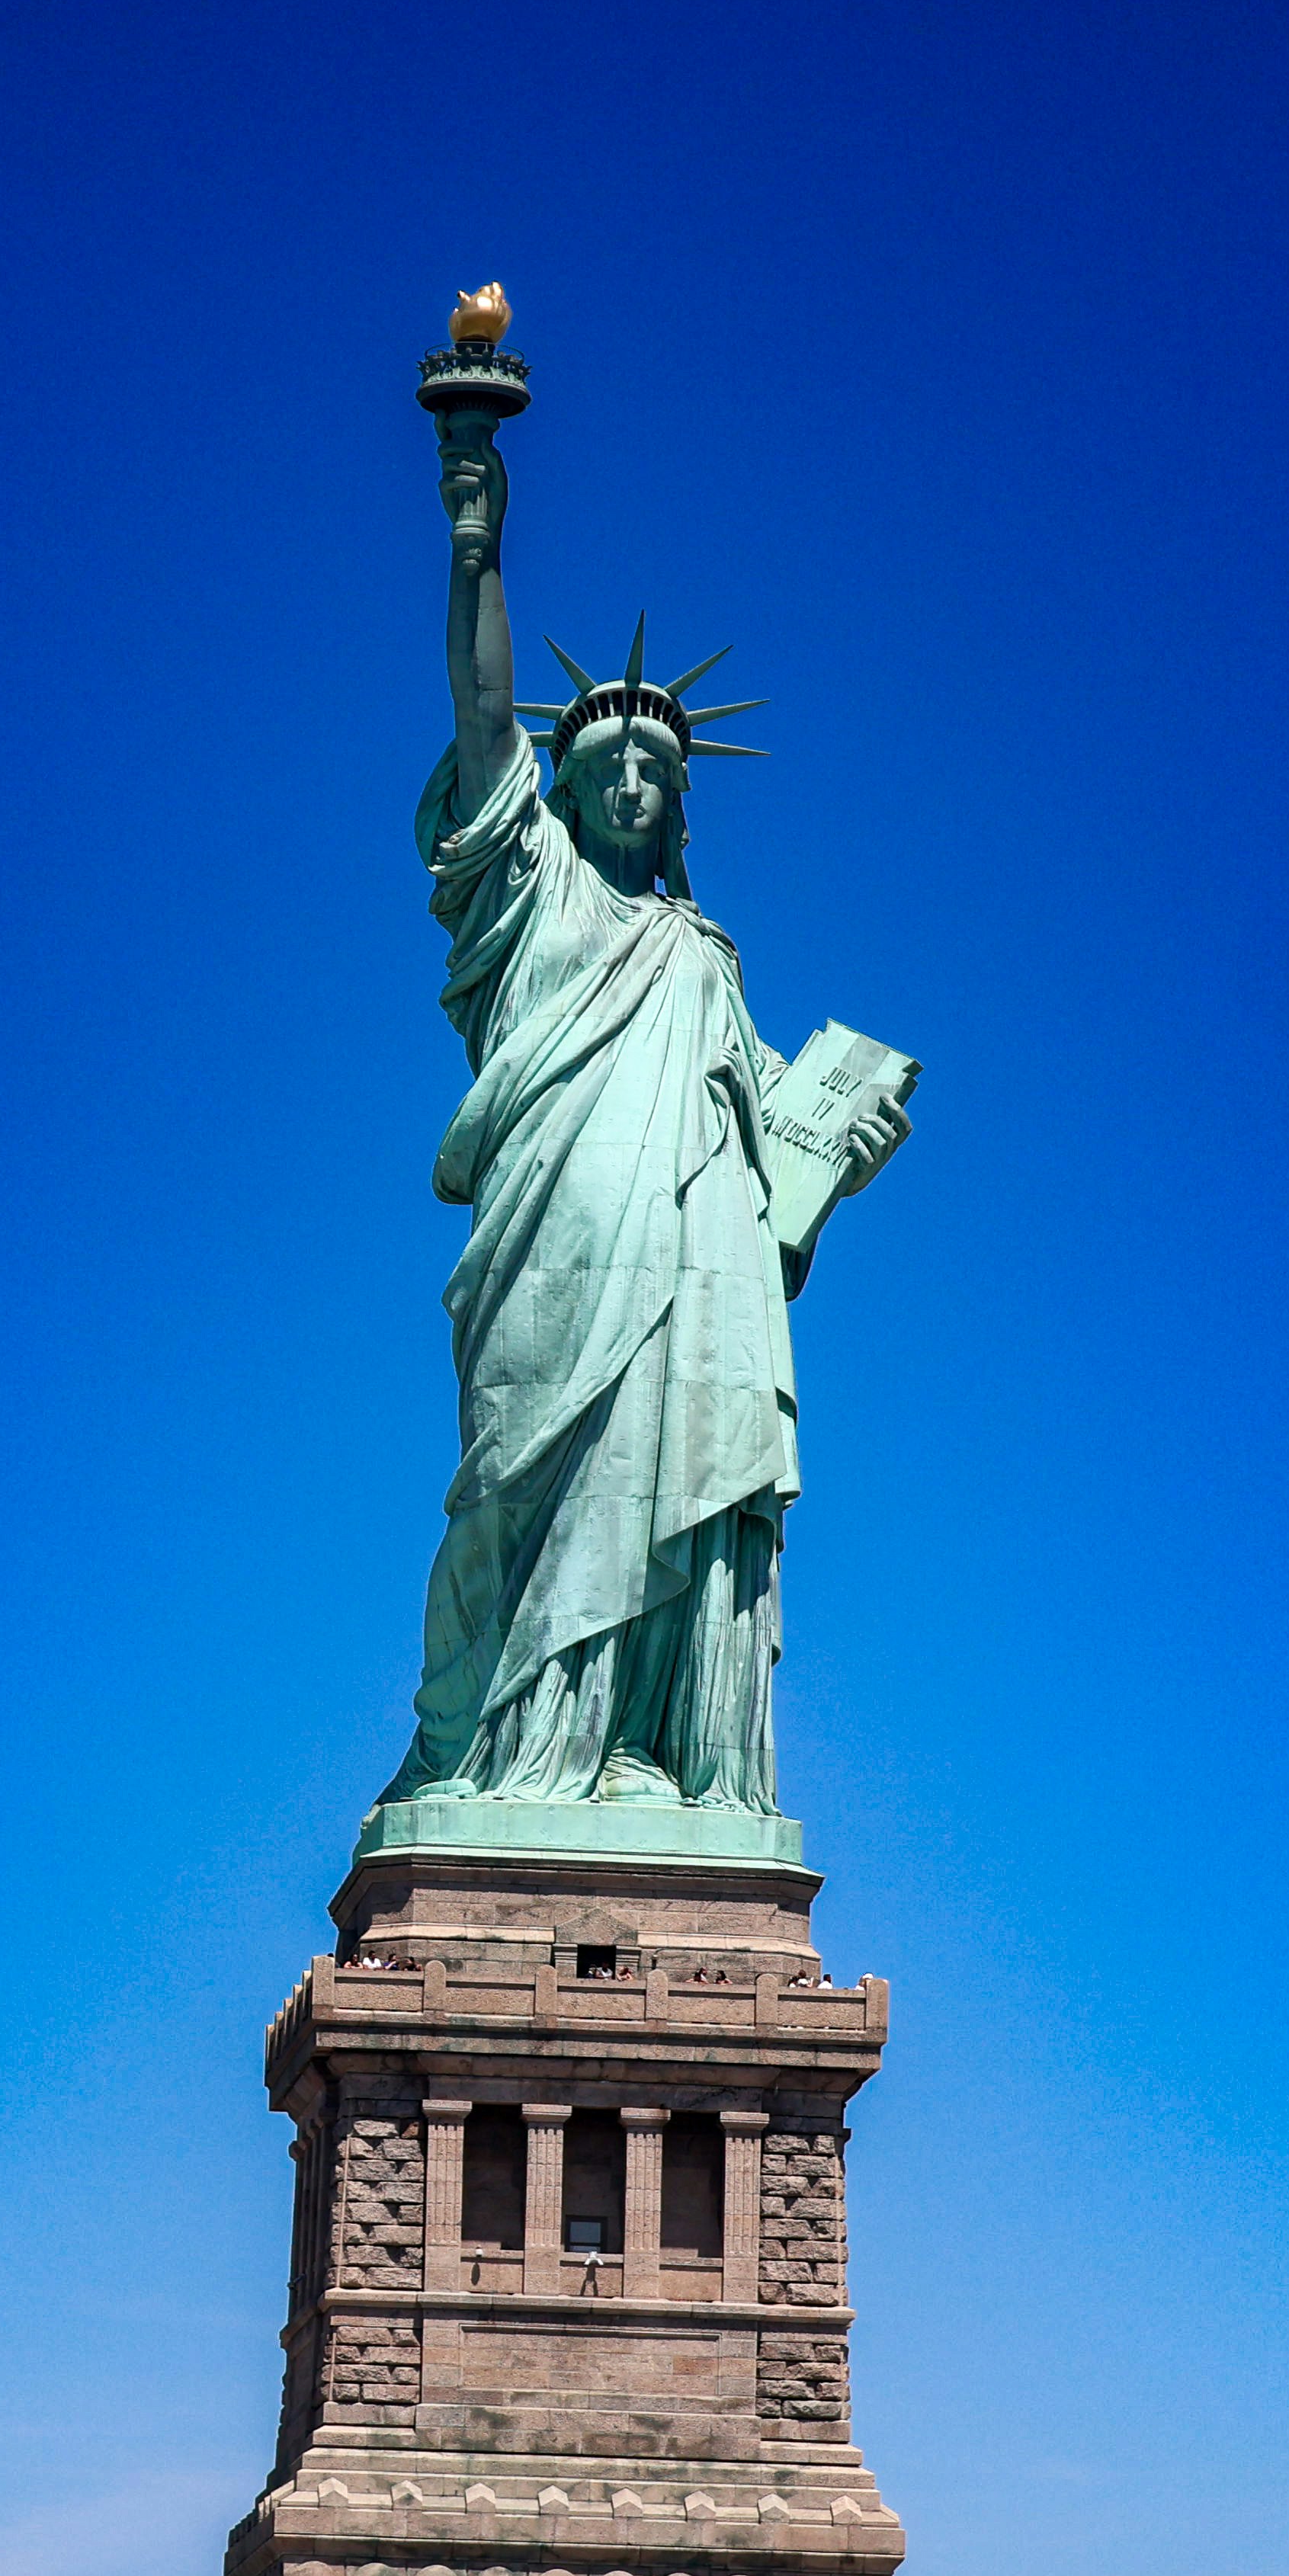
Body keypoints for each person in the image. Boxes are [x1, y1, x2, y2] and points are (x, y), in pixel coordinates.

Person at [378, 397, 908, 1818]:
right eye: (603, 762)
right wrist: (476, 539)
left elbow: (770, 1154)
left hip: (698, 1267)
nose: (629, 778)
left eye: (656, 771)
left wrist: (839, 1157)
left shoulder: (703, 957)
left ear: (680, 807)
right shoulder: (531, 892)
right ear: (558, 789)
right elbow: (482, 718)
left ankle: (648, 1755)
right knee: (524, 1487)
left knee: (681, 1474)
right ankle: (504, 1751)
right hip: (555, 1246)